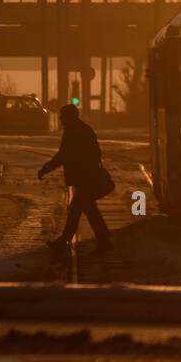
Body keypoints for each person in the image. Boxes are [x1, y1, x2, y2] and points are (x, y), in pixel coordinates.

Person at [38, 104, 112, 253]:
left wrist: (45, 169)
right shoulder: (85, 129)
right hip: (86, 177)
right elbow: (97, 153)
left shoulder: (72, 132)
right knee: (78, 211)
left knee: (88, 211)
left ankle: (104, 243)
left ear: (68, 117)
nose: (60, 120)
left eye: (62, 117)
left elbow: (62, 156)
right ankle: (66, 241)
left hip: (83, 178)